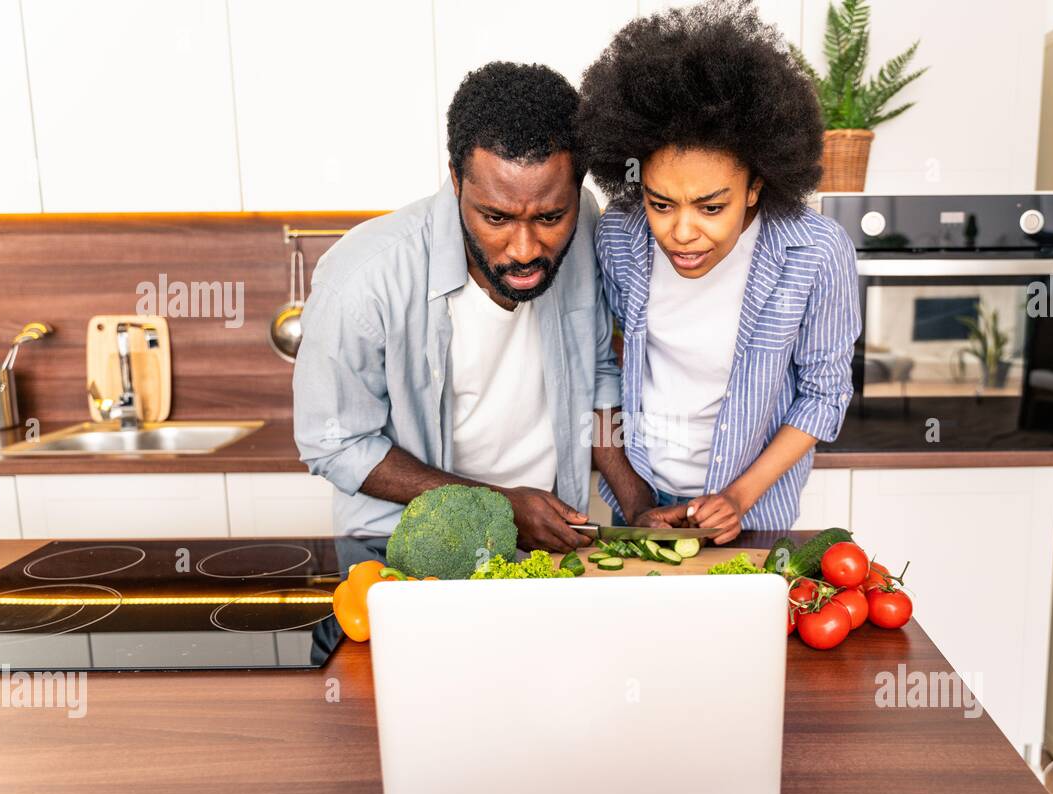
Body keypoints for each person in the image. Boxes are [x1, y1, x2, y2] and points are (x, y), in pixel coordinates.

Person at [294, 62, 652, 551]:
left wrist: (636, 502)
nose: (525, 248)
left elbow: (597, 374)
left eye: (550, 216)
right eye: (496, 217)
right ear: (457, 181)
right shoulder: (362, 280)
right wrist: (499, 506)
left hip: (546, 544)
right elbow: (336, 444)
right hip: (400, 552)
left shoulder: (587, 221)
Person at [578, 1, 862, 544]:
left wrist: (738, 497)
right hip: (642, 506)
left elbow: (824, 393)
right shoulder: (619, 236)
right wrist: (635, 497)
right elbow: (601, 369)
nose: (682, 233)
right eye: (661, 204)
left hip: (754, 510)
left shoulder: (815, 251)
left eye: (711, 207)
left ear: (756, 185)